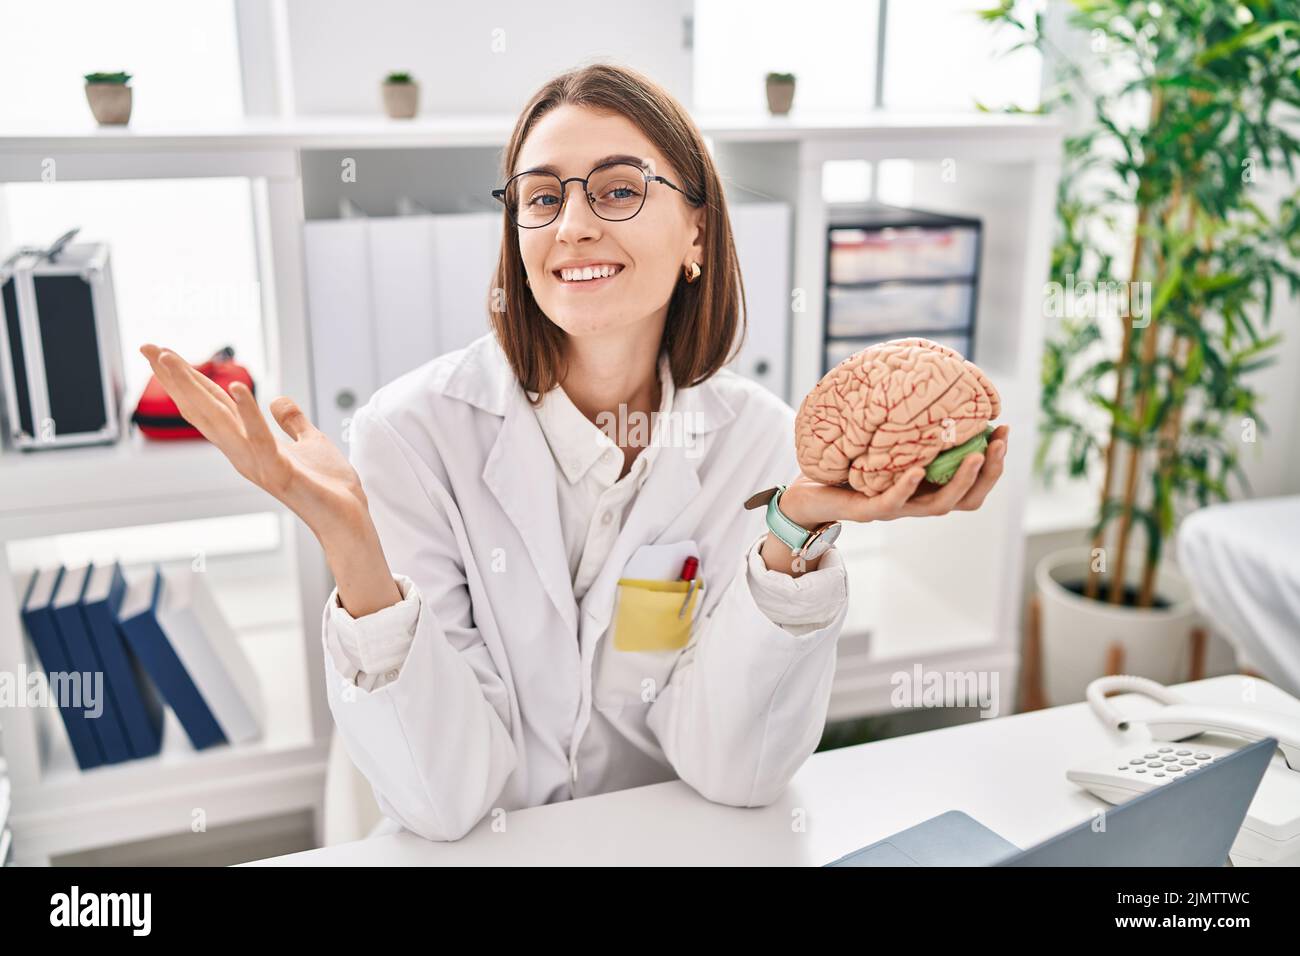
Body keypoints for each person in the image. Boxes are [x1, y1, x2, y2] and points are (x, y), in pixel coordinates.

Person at [140, 63, 1009, 842]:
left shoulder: (759, 444)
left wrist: (793, 537)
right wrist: (352, 550)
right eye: (544, 197)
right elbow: (447, 800)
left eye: (620, 190)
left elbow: (736, 774)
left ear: (699, 234)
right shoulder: (408, 435)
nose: (574, 226)